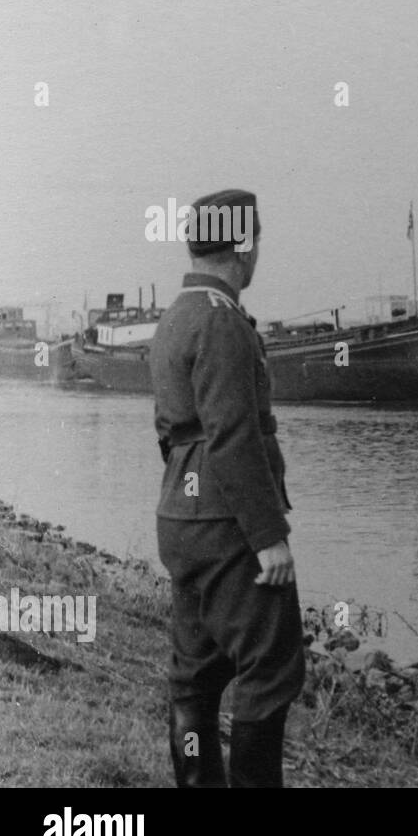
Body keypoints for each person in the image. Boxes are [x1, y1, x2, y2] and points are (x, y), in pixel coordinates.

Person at [150, 189, 304, 788]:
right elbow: (235, 436)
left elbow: (171, 434)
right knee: (269, 669)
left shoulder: (174, 317)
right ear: (243, 246)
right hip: (228, 527)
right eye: (257, 242)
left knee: (195, 673)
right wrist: (268, 538)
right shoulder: (222, 321)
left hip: (181, 522)